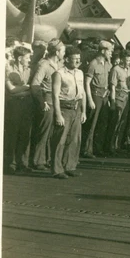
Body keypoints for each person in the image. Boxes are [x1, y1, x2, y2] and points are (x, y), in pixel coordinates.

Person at [49, 46, 87, 179]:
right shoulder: (59, 74)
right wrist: (58, 114)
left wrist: (83, 111)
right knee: (60, 140)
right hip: (64, 108)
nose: (77, 61)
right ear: (66, 59)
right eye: (74, 59)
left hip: (76, 108)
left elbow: (83, 93)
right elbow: (55, 95)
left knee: (74, 140)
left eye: (79, 59)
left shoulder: (80, 73)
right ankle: (57, 170)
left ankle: (70, 166)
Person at [29, 39, 66, 170]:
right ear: (57, 52)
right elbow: (35, 84)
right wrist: (42, 102)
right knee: (43, 131)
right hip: (47, 100)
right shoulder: (44, 65)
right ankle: (38, 160)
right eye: (63, 51)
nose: (64, 54)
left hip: (58, 100)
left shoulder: (60, 65)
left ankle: (47, 158)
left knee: (52, 132)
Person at [4, 46, 34, 174]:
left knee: (24, 135)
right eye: (27, 58)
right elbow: (10, 89)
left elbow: (18, 89)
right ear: (20, 58)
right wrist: (26, 88)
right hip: (14, 105)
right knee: (12, 135)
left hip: (26, 105)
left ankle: (22, 163)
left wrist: (21, 89)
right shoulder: (8, 69)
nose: (29, 60)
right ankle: (10, 165)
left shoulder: (29, 70)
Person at [81, 40, 113, 158]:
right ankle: (86, 150)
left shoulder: (108, 64)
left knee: (102, 123)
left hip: (104, 95)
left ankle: (97, 148)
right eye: (110, 50)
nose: (111, 53)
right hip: (95, 95)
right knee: (91, 124)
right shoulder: (93, 64)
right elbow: (87, 83)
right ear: (103, 50)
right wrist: (89, 99)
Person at [104, 50, 130, 154]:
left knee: (122, 123)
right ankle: (109, 147)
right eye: (127, 60)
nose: (129, 62)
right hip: (118, 98)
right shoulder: (116, 69)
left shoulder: (128, 69)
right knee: (115, 123)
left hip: (126, 98)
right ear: (122, 59)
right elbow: (112, 86)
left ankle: (117, 146)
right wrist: (112, 102)